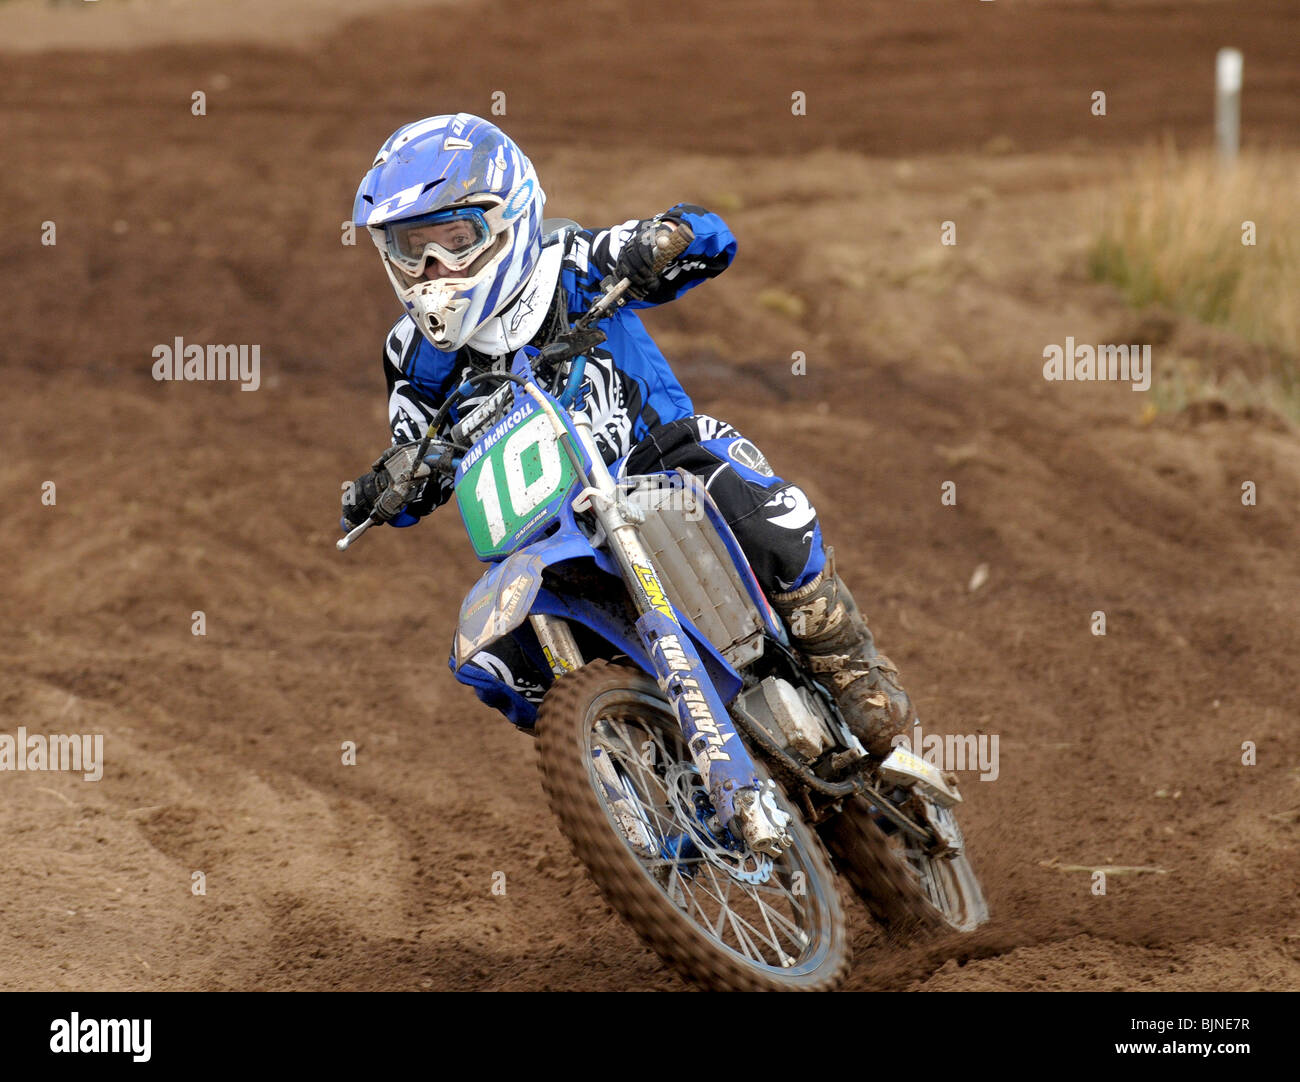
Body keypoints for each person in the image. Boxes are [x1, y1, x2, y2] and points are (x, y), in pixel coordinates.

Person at [342, 112, 913, 760]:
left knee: (746, 494)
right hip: (543, 527)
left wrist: (662, 240)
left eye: (451, 240)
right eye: (409, 250)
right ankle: (626, 758)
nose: (433, 267)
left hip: (654, 457)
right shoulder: (412, 355)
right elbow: (418, 451)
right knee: (498, 654)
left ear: (506, 218)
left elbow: (710, 239)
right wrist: (391, 483)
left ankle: (847, 662)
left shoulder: (566, 264)